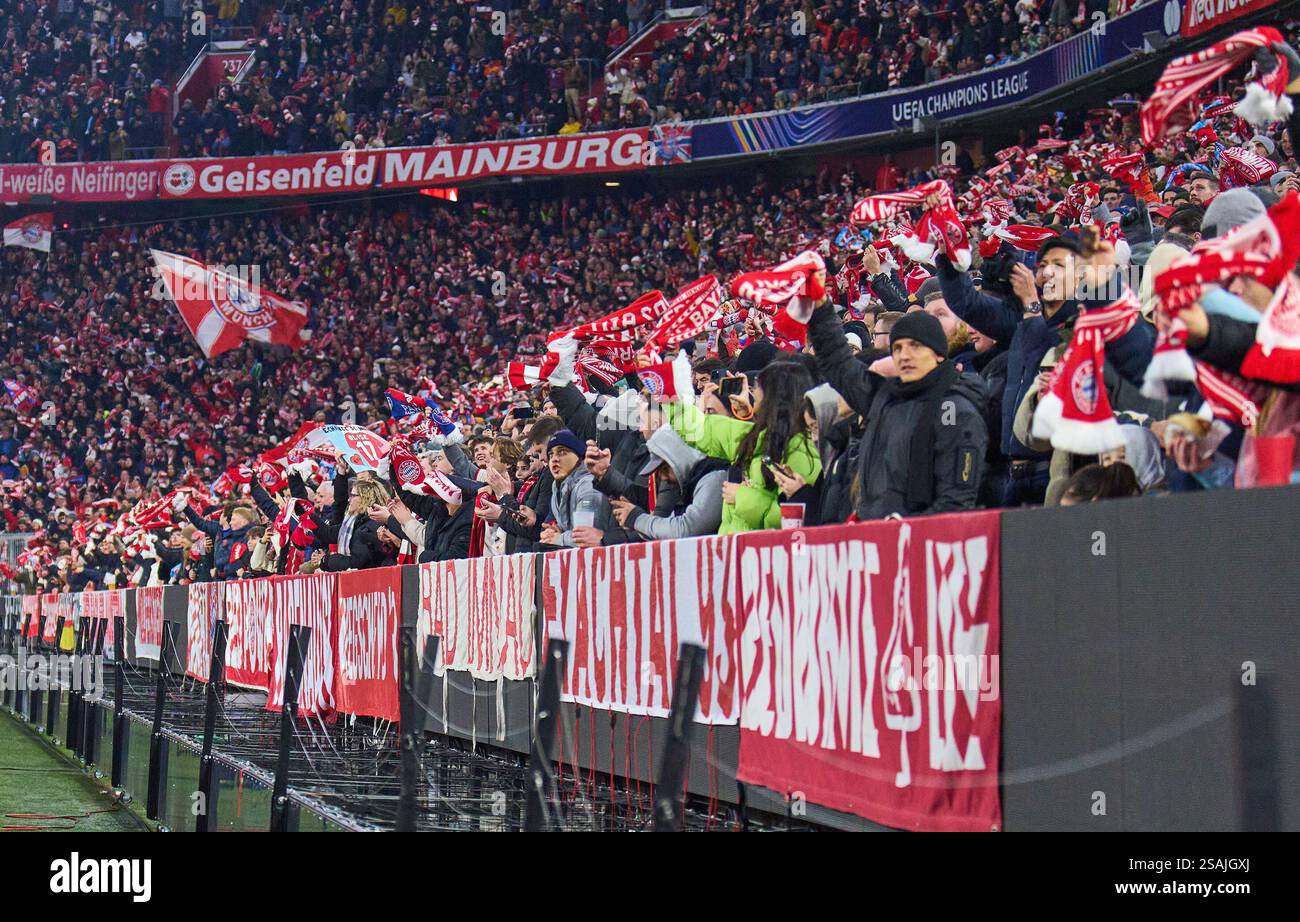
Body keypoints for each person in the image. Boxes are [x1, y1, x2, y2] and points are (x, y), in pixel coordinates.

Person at [808, 301, 988, 518]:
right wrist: (820, 309)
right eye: (898, 348)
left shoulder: (955, 410)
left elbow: (955, 502)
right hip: (875, 536)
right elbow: (838, 363)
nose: (904, 355)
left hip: (919, 544)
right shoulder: (884, 397)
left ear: (939, 354)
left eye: (915, 346)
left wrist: (902, 531)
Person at [665, 359, 821, 532]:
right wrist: (663, 383)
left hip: (763, 555)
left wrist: (741, 497)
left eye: (758, 386)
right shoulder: (755, 436)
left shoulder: (801, 451)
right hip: (732, 553)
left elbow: (788, 518)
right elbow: (697, 429)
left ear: (774, 395)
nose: (753, 391)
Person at [608, 406, 728, 540]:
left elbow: (686, 529)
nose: (663, 478)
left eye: (665, 469)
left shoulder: (714, 477)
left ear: (679, 458)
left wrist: (637, 519)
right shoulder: (691, 482)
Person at [540, 429, 608, 548]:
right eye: (551, 454)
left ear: (580, 456)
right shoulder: (557, 487)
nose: (554, 459)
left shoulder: (588, 485)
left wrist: (558, 538)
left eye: (562, 452)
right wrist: (555, 533)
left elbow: (584, 538)